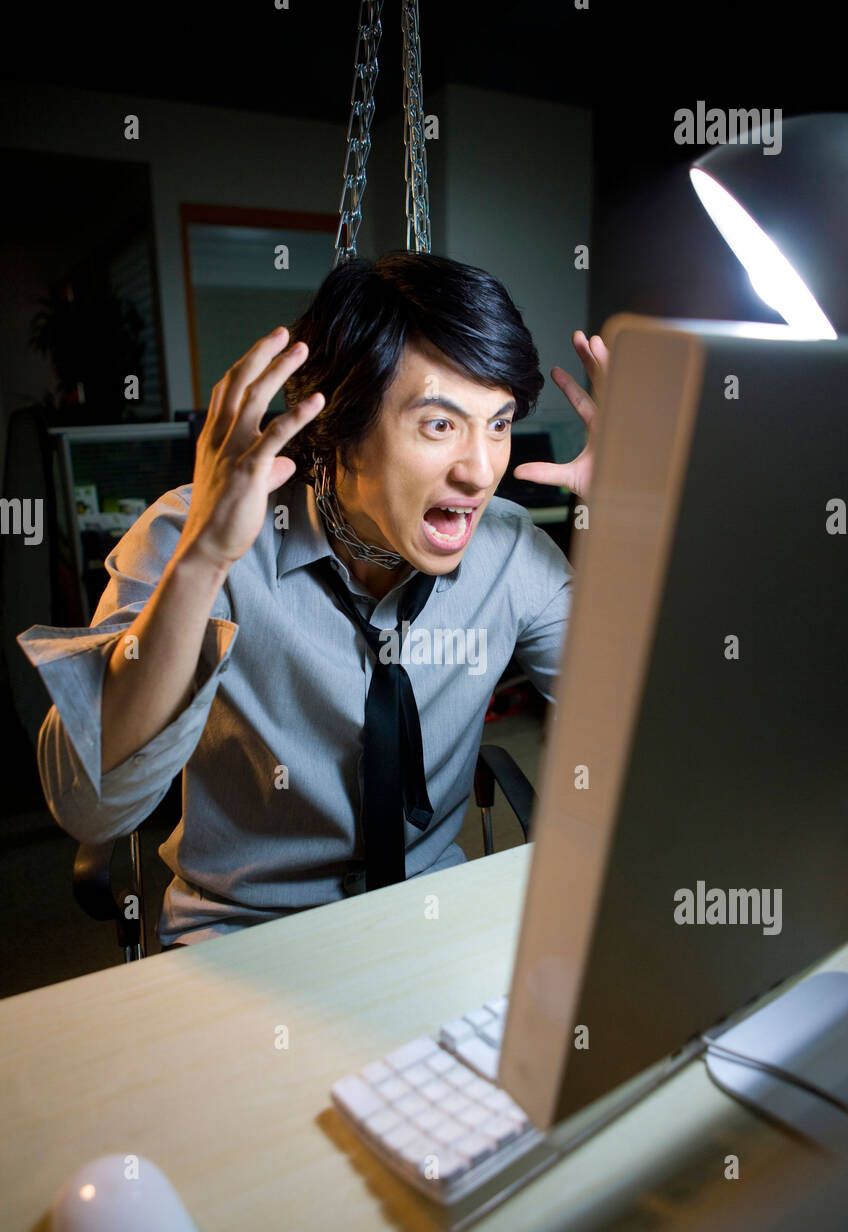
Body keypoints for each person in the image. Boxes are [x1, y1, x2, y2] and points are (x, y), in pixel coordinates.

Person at [18, 251, 607, 948]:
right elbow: (87, 806)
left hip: (429, 924)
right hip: (241, 938)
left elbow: (639, 729)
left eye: (500, 423)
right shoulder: (193, 531)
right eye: (440, 424)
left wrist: (641, 528)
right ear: (345, 429)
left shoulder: (511, 554)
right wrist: (204, 561)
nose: (480, 470)